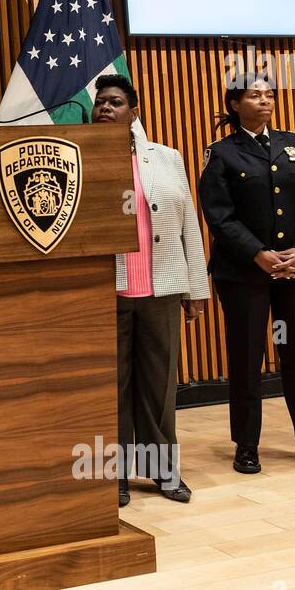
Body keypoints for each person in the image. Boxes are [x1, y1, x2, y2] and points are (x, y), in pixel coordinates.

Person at [199, 74, 295, 475]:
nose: (265, 101)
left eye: (269, 95)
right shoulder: (221, 153)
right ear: (234, 104)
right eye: (254, 95)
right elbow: (219, 215)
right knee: (247, 356)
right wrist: (257, 253)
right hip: (244, 272)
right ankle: (246, 445)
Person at [92, 75, 208, 505]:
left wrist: (196, 287)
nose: (106, 108)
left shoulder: (166, 157)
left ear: (134, 112)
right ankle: (116, 476)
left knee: (159, 386)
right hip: (108, 292)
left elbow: (188, 223)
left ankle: (163, 470)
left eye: (115, 102)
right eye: (100, 102)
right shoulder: (80, 158)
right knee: (114, 387)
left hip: (162, 288)